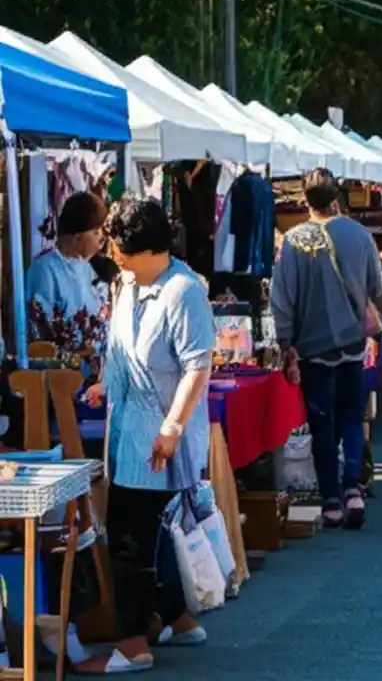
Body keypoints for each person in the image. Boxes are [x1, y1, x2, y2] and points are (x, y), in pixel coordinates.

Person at [76, 200, 215, 675]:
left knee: (132, 539)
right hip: (131, 432)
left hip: (160, 436)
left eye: (118, 244)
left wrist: (172, 428)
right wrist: (103, 385)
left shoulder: (184, 291)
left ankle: (132, 645)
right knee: (155, 532)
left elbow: (198, 367)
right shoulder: (128, 283)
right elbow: (118, 352)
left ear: (142, 247)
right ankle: (178, 618)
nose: (112, 252)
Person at [272, 169, 382, 527]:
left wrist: (286, 342)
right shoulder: (359, 235)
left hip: (312, 345)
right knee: (353, 417)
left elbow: (282, 298)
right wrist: (376, 320)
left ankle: (332, 499)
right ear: (337, 196)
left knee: (322, 422)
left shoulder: (292, 241)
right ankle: (352, 489)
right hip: (352, 342)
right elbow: (376, 287)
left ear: (305, 200)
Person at [27, 191, 109, 353]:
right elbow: (39, 334)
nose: (101, 239)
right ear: (77, 238)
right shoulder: (44, 271)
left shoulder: (92, 268)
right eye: (96, 232)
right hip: (61, 374)